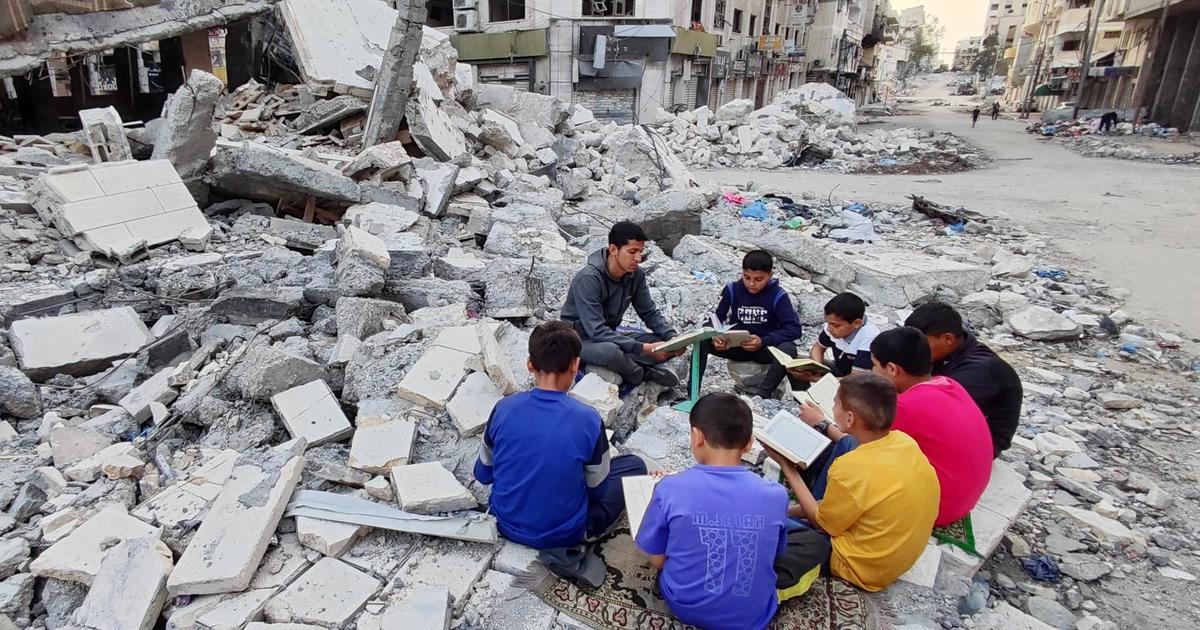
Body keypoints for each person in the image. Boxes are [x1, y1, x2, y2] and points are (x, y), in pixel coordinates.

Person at [474, 321, 648, 550]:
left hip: (505, 524)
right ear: (575, 365)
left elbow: (482, 474)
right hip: (564, 534)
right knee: (634, 465)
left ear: (529, 364)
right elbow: (597, 489)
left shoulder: (503, 408)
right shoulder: (588, 419)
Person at [764, 373, 940, 593]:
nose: (832, 406)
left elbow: (822, 524)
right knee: (847, 445)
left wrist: (787, 466)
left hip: (860, 565)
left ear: (849, 419)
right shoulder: (903, 441)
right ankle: (797, 509)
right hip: (895, 552)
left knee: (770, 522)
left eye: (835, 402)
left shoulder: (849, 469)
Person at [635, 392, 792, 629]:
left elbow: (658, 561)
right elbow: (776, 554)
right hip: (754, 615)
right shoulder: (776, 494)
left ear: (697, 436)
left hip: (685, 606)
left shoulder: (670, 488)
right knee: (808, 540)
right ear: (749, 444)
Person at [869, 327, 993, 527]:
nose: (872, 371)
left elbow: (867, 447)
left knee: (849, 462)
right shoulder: (948, 383)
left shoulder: (906, 406)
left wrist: (824, 424)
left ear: (892, 369)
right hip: (965, 498)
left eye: (874, 365)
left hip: (937, 507)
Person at [561, 221, 682, 388]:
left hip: (610, 335)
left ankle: (626, 363)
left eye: (640, 252)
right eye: (632, 252)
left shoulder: (635, 275)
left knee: (662, 343)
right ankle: (642, 373)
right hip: (578, 341)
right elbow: (596, 330)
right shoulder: (589, 278)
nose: (638, 259)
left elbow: (648, 312)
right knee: (610, 352)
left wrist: (672, 338)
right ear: (613, 250)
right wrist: (643, 349)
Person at [904, 302, 1023, 458]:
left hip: (981, 446)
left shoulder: (977, 370)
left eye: (921, 343)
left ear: (948, 339)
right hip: (955, 429)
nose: (915, 350)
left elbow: (932, 410)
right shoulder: (949, 352)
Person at [698, 250, 805, 399]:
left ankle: (762, 396)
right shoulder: (731, 290)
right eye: (747, 277)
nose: (751, 284)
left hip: (765, 348)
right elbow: (713, 317)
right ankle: (693, 393)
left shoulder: (779, 296)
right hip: (737, 346)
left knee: (788, 348)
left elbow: (794, 329)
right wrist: (716, 336)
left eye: (759, 279)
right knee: (701, 341)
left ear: (770, 276)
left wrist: (764, 340)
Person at [793, 292, 881, 384]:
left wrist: (817, 379)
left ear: (856, 323)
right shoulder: (833, 327)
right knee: (799, 367)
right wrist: (817, 368)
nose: (829, 328)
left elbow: (857, 380)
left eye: (835, 325)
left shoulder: (869, 338)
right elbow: (818, 348)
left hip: (861, 383)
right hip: (840, 368)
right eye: (828, 322)